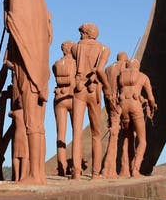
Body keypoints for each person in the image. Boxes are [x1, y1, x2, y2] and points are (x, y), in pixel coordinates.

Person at [0, 0, 52, 185]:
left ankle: (35, 174)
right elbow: (45, 28)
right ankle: (35, 172)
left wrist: (6, 14)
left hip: (27, 65)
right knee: (35, 122)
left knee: (32, 122)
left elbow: (17, 21)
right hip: (35, 62)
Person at [70, 23, 110, 181]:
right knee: (96, 133)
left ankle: (76, 173)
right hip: (94, 91)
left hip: (79, 90)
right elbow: (100, 70)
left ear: (86, 33)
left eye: (81, 32)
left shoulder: (76, 47)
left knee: (77, 132)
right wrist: (107, 87)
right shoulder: (104, 49)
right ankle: (95, 173)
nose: (80, 35)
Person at [117, 59, 156, 177]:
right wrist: (152, 106)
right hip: (135, 106)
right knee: (142, 140)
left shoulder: (120, 76)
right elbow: (151, 98)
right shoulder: (143, 77)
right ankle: (135, 169)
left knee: (127, 138)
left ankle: (124, 170)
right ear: (137, 66)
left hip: (123, 106)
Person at [101, 51, 129, 179]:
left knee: (114, 131)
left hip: (108, 101)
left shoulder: (108, 69)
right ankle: (109, 168)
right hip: (118, 101)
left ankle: (110, 167)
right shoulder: (123, 67)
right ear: (124, 59)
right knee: (116, 134)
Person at [52, 41, 76, 177]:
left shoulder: (56, 64)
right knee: (76, 133)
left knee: (60, 133)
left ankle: (61, 166)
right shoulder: (75, 63)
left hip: (59, 97)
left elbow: (52, 69)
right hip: (72, 98)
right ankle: (74, 166)